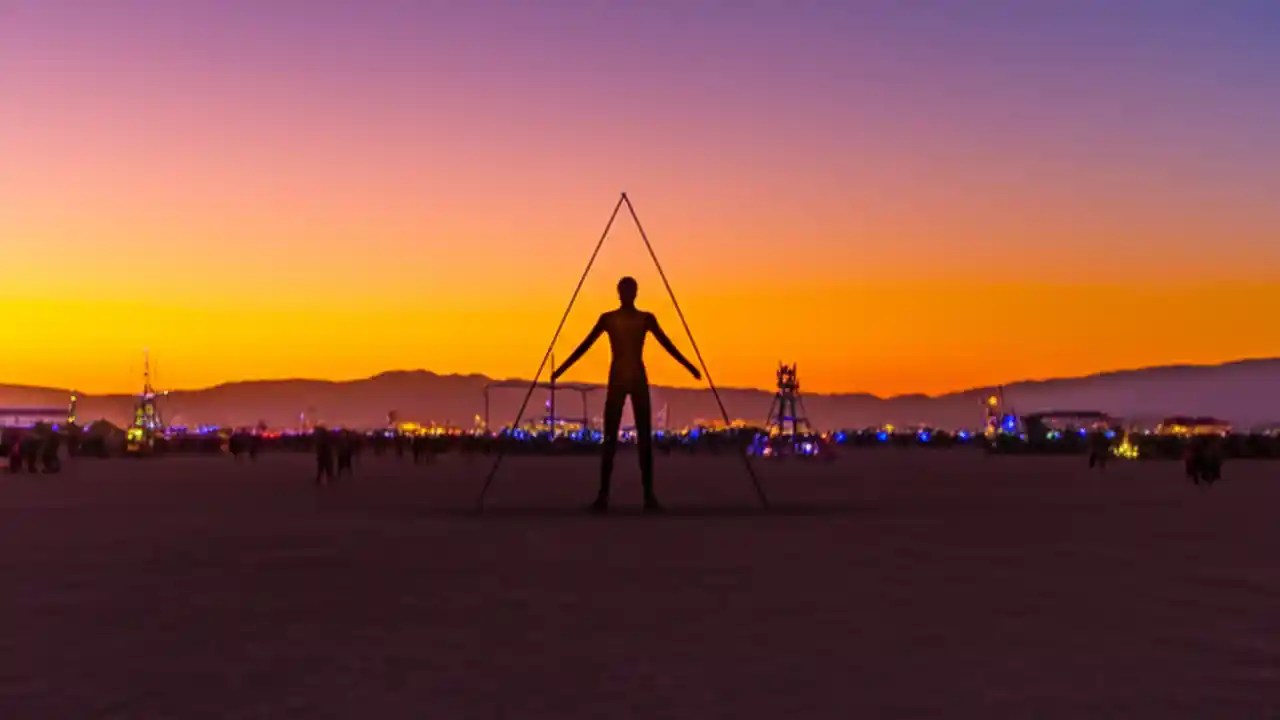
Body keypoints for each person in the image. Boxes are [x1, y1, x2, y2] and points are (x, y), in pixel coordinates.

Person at [552, 276, 701, 513]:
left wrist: (689, 365)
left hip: (632, 378)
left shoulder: (642, 318)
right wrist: (560, 369)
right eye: (625, 290)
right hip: (621, 378)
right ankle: (607, 497)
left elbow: (667, 344)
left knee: (640, 439)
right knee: (612, 438)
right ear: (622, 293)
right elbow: (584, 345)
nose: (627, 294)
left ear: (632, 293)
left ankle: (645, 497)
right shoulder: (611, 319)